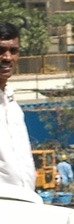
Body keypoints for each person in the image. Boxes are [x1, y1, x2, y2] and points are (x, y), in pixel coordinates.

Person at [0, 23, 39, 202]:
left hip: (25, 204)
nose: (7, 57)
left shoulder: (13, 106)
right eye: (1, 50)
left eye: (13, 51)